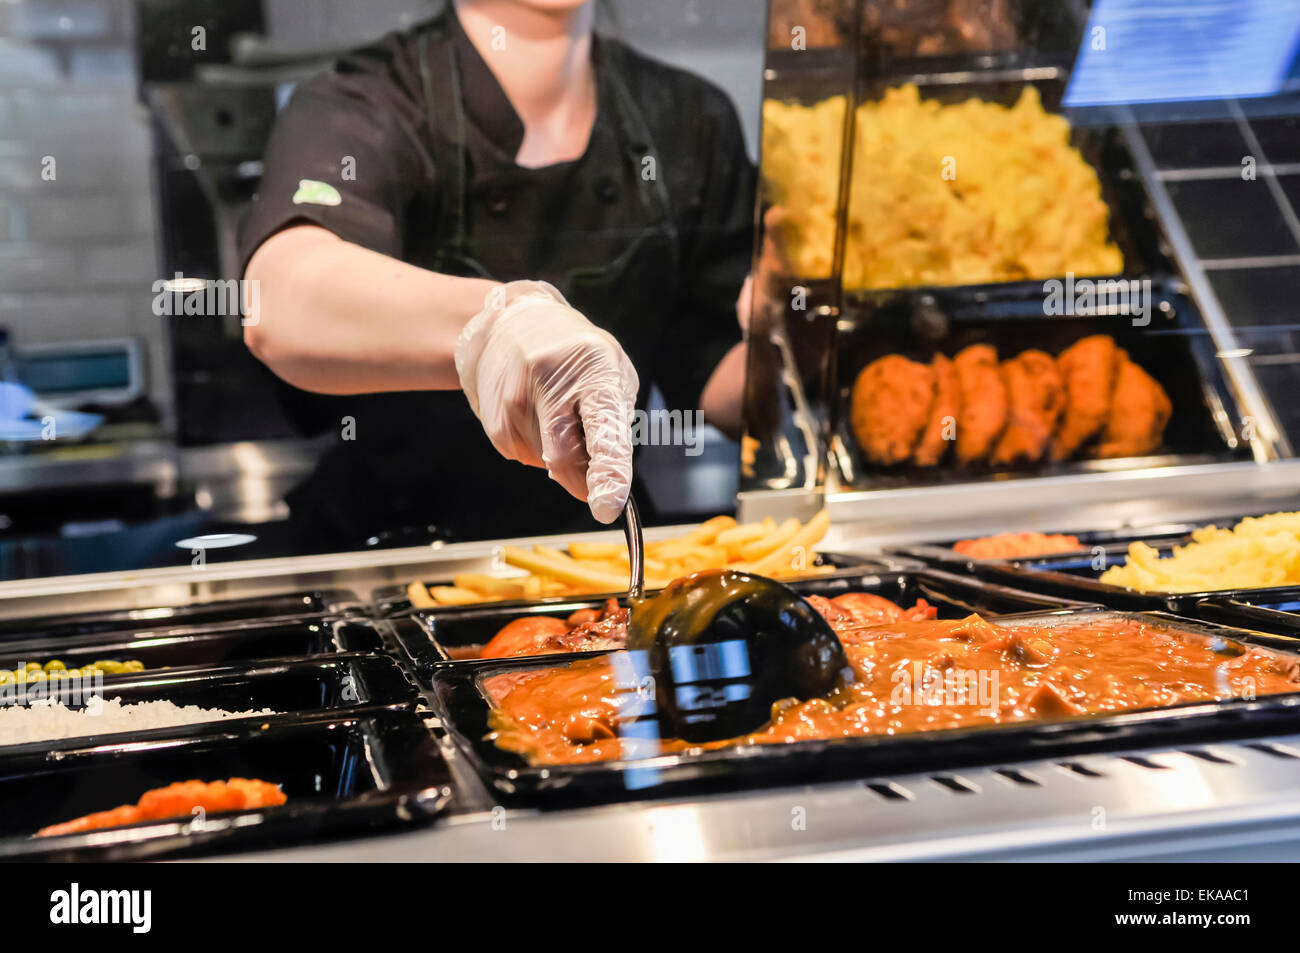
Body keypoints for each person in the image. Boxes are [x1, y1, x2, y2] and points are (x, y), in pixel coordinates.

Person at [241, 0, 754, 545]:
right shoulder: (360, 101)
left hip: (598, 552)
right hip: (393, 565)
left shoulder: (690, 117)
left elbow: (725, 393)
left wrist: (793, 324)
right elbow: (279, 300)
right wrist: (505, 321)